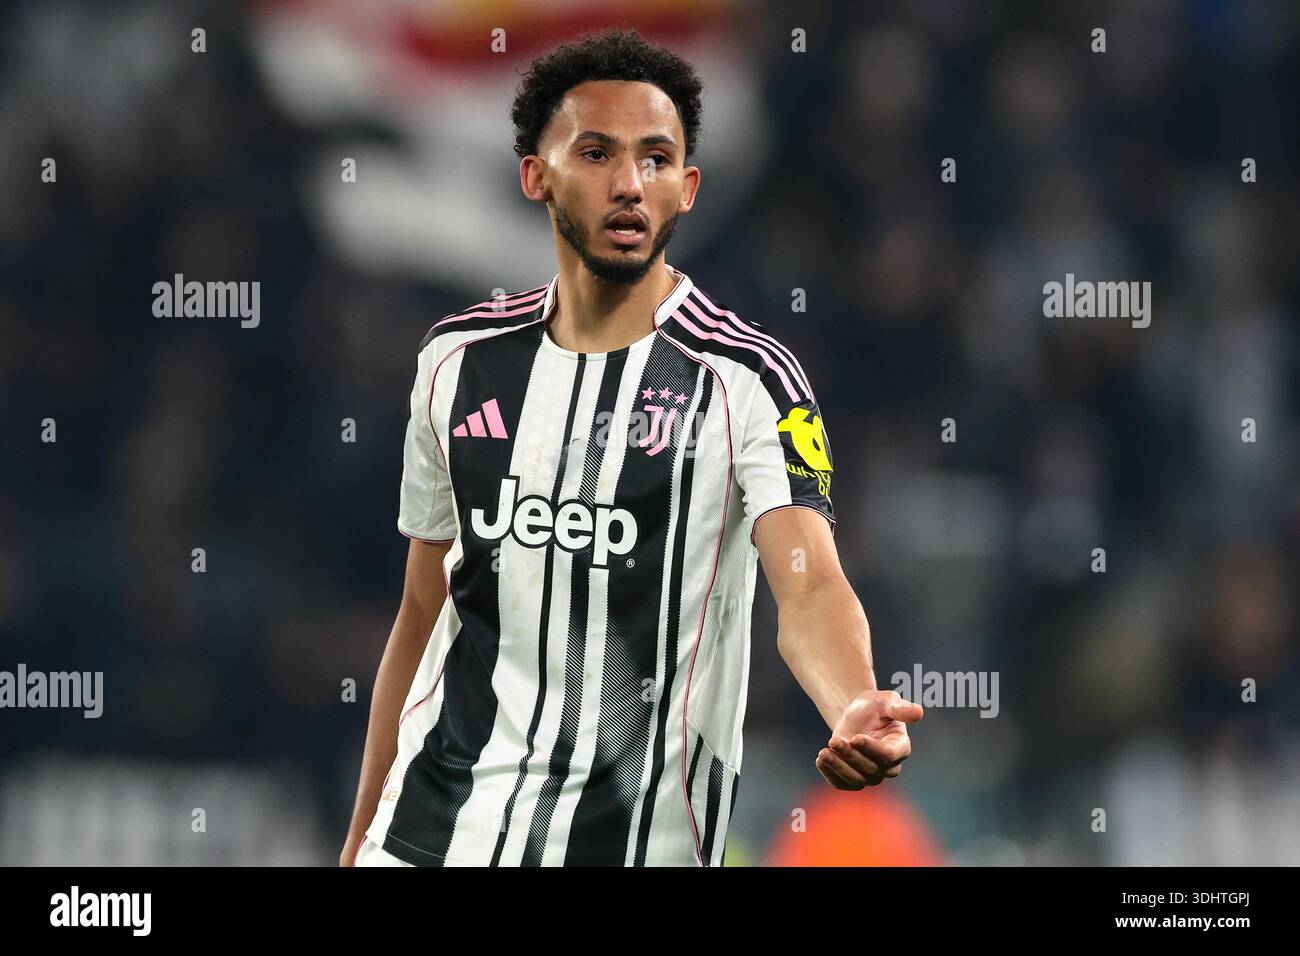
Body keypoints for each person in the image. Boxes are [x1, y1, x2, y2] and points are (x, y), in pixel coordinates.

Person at [341, 26, 921, 868]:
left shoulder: (749, 381)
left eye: (655, 159)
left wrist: (854, 702)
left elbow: (809, 583)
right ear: (536, 177)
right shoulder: (454, 364)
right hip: (431, 836)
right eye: (598, 153)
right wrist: (363, 833)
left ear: (687, 190)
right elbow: (423, 614)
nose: (628, 183)